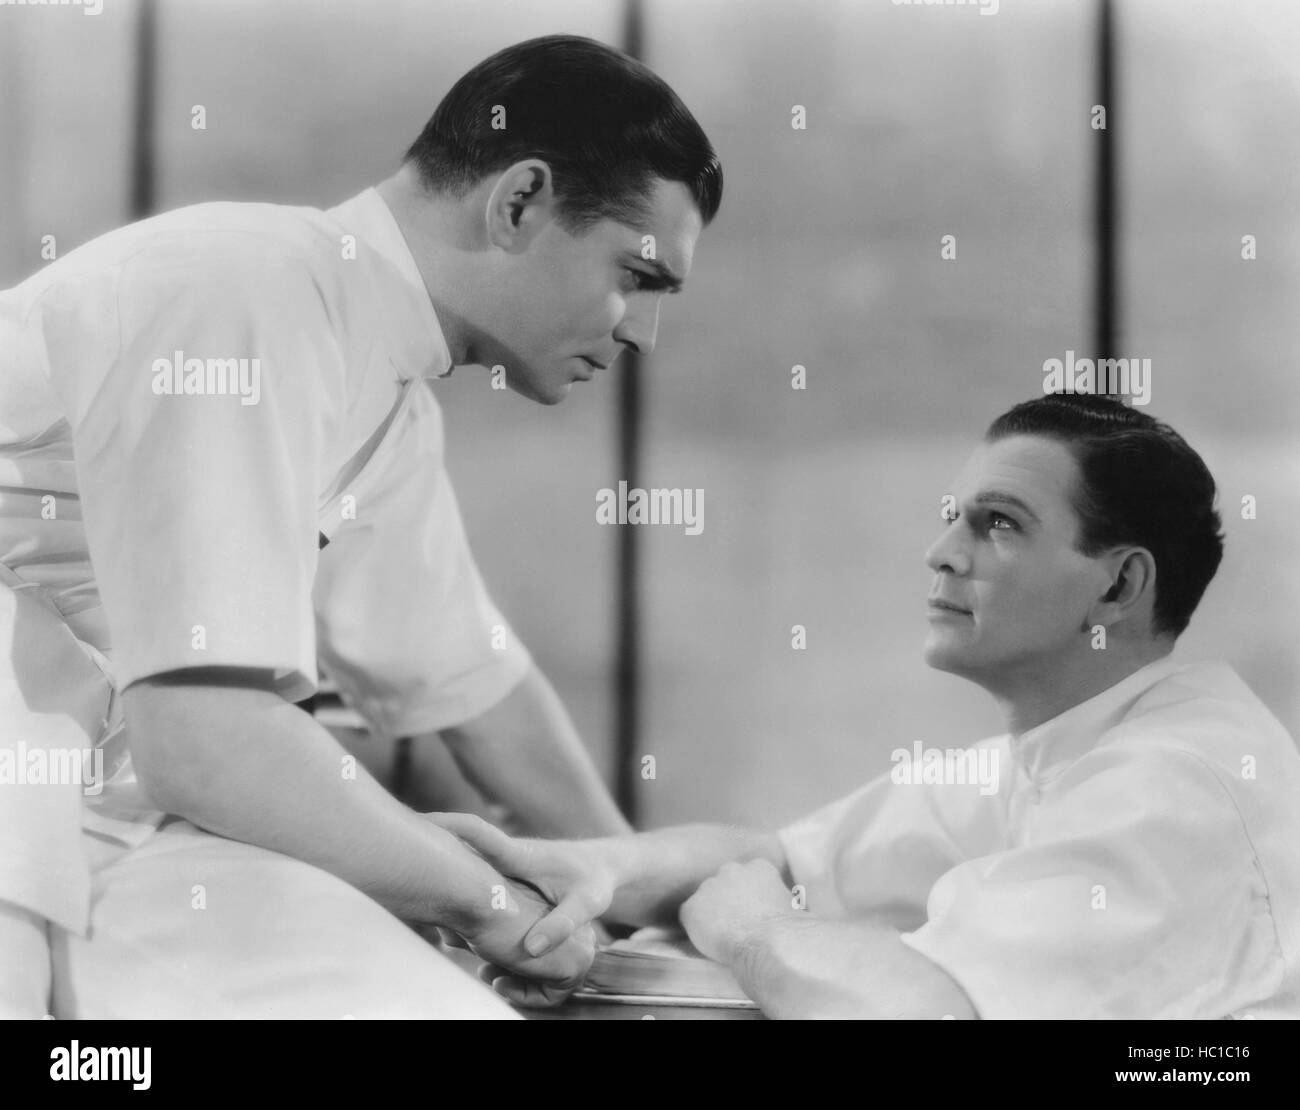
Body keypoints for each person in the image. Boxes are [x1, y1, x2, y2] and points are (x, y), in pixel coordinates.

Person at [0, 34, 721, 1018]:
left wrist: (632, 895)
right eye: (639, 277)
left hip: (102, 814)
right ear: (520, 202)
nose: (641, 332)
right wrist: (487, 897)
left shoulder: (384, 391)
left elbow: (474, 689)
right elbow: (204, 738)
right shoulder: (243, 288)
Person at [445, 393, 1300, 1019]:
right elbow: (774, 857)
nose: (940, 554)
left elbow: (917, 1016)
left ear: (1118, 583)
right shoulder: (1059, 750)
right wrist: (598, 872)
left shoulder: (1176, 783)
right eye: (952, 520)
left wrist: (756, 933)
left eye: (997, 524)